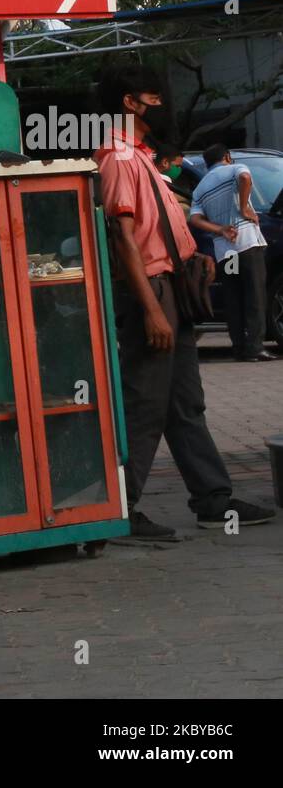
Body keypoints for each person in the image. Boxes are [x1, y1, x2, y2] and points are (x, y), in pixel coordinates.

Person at [94, 65, 274, 539]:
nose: (163, 107)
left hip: (172, 287)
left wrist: (195, 256)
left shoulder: (141, 156)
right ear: (130, 103)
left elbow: (159, 225)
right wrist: (152, 310)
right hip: (152, 294)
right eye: (155, 98)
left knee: (185, 404)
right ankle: (119, 510)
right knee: (145, 404)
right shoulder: (118, 156)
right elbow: (123, 238)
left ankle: (213, 500)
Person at [189, 144, 276, 362]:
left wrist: (219, 229)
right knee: (255, 295)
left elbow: (195, 219)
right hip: (247, 245)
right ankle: (255, 348)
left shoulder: (201, 188)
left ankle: (238, 347)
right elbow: (245, 178)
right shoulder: (235, 169)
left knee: (234, 296)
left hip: (226, 252)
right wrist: (245, 207)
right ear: (227, 157)